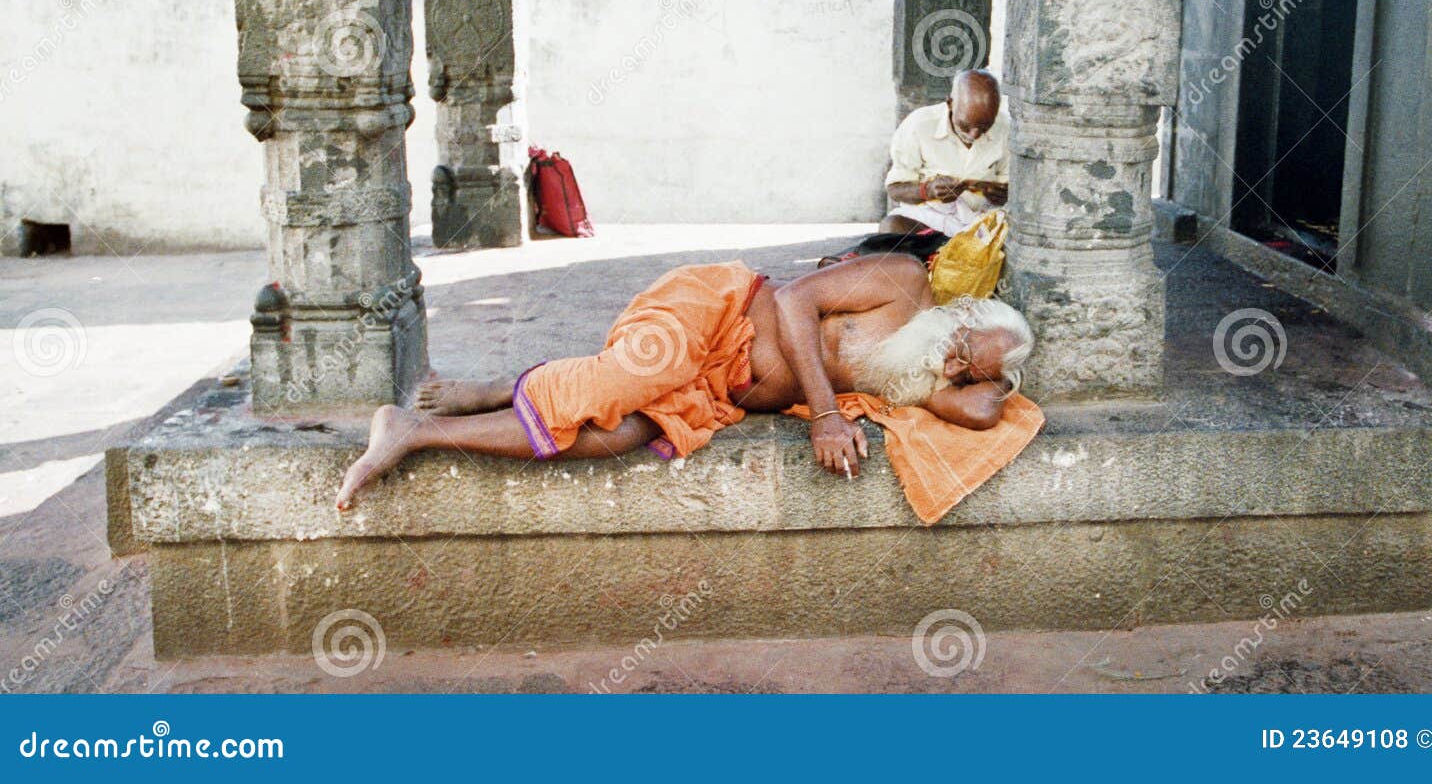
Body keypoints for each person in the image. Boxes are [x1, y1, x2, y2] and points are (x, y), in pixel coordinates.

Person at [335, 253, 1034, 509]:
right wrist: (825, 413)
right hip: (718, 308)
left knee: (621, 431)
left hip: (722, 391)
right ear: (963, 311)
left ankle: (418, 430)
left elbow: (976, 415)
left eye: (971, 368)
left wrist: (997, 374)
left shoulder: (919, 374)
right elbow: (793, 300)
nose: (957, 364)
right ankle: (499, 388)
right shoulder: (905, 285)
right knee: (632, 378)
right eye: (965, 343)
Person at [882, 69, 1009, 235]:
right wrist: (928, 190)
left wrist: (1001, 194)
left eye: (985, 127)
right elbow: (895, 190)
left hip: (983, 219)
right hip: (930, 218)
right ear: (950, 103)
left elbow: (1014, 190)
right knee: (892, 227)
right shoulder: (919, 124)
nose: (974, 134)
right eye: (965, 125)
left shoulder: (1007, 127)